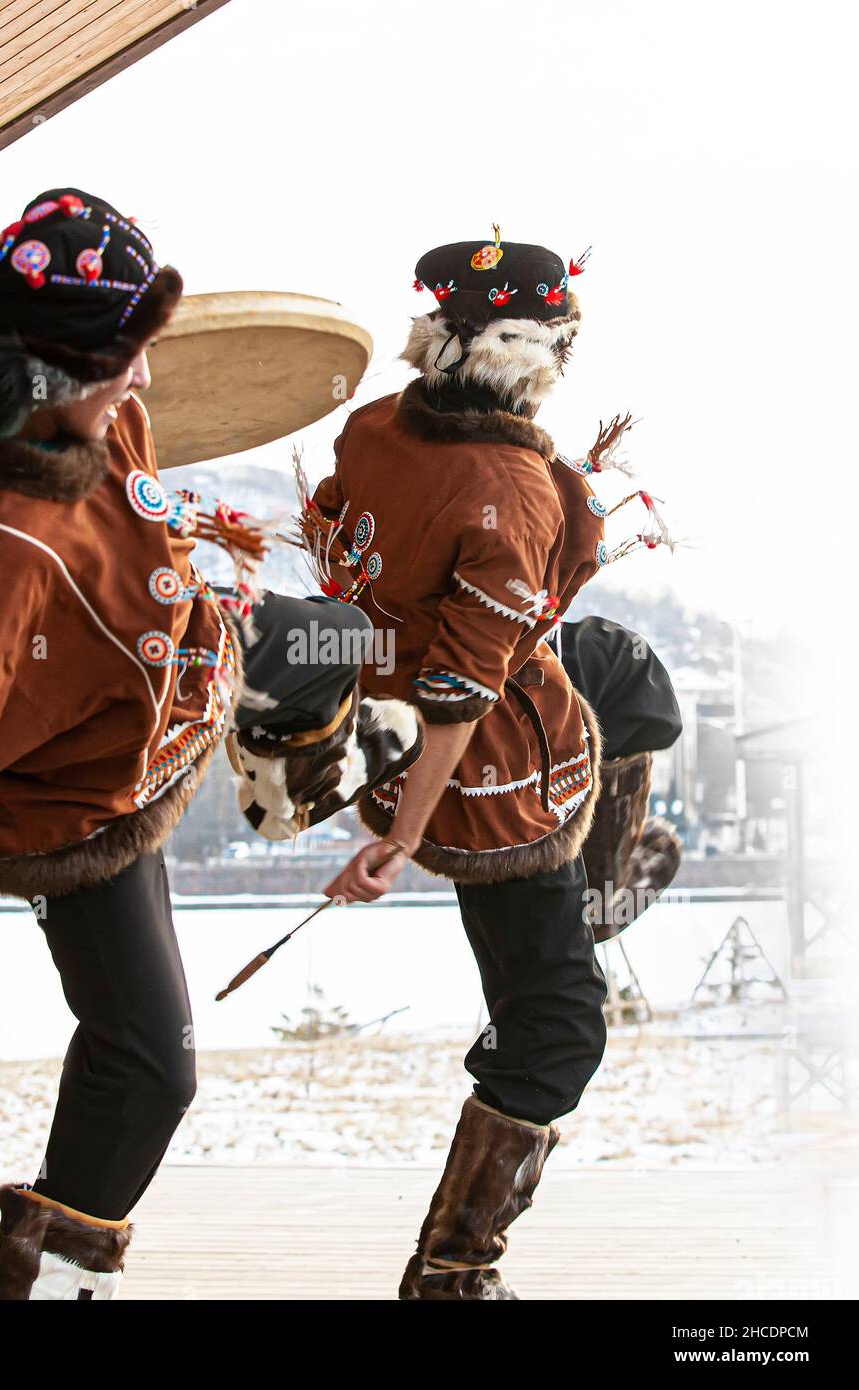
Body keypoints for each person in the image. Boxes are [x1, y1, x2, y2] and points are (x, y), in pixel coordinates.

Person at [0, 189, 420, 1299]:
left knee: (343, 638)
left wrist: (72, 248)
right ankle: (43, 1277)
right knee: (153, 1062)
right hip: (74, 795)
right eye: (127, 361)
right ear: (49, 370)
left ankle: (292, 772)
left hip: (167, 664)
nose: (146, 378)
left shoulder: (22, 346)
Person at [274, 233, 676, 1299]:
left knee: (631, 673)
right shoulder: (511, 486)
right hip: (489, 769)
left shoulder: (372, 428)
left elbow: (349, 562)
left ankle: (600, 893)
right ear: (540, 358)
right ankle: (454, 1266)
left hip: (404, 696)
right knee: (556, 1030)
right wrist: (397, 835)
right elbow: (461, 691)